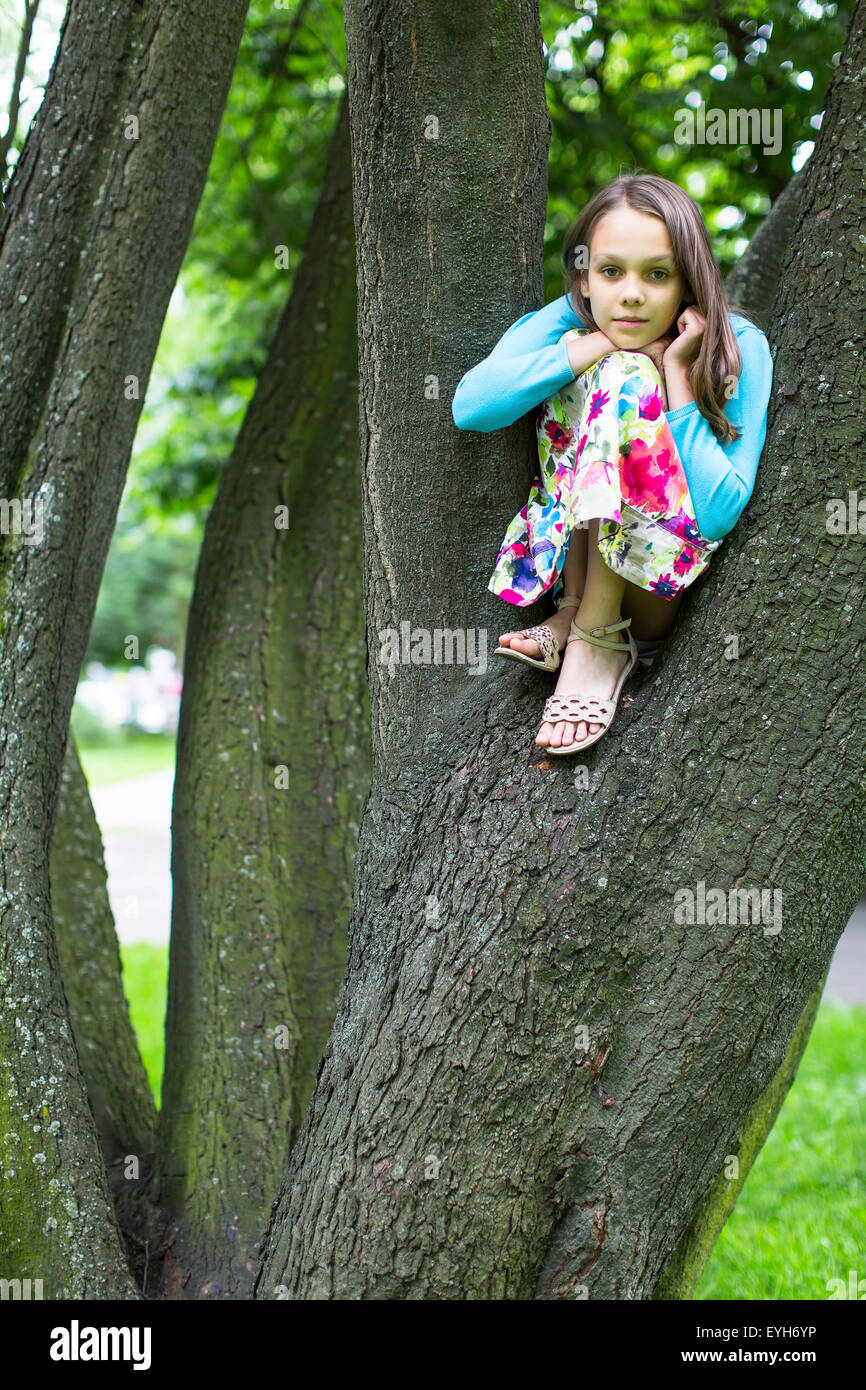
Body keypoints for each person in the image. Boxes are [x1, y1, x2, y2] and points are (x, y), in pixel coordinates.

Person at [451, 173, 773, 755]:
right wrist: (601, 344)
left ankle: (597, 638)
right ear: (584, 276)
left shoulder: (737, 343)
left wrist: (674, 373)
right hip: (566, 561)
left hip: (657, 581)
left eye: (658, 274)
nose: (631, 294)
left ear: (688, 280)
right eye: (610, 271)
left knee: (627, 374)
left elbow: (720, 511)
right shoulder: (574, 320)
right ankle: (576, 612)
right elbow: (472, 406)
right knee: (608, 365)